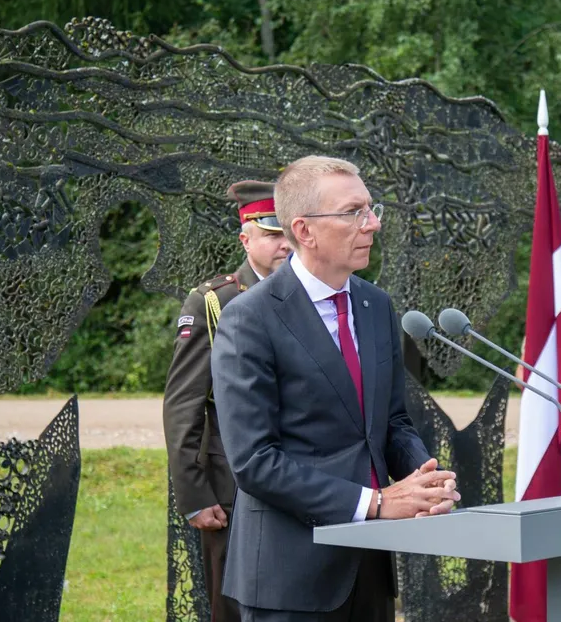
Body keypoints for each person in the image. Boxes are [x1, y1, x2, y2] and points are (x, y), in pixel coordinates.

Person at [210, 155, 459, 622]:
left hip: (369, 566)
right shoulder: (250, 317)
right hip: (290, 574)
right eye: (354, 212)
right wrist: (377, 502)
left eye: (370, 207)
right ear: (304, 231)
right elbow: (253, 461)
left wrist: (425, 475)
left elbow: (390, 421)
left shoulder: (375, 304)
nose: (373, 223)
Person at [163, 180, 292, 621]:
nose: (284, 246)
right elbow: (184, 403)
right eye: (272, 234)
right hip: (233, 485)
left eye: (290, 234)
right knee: (235, 604)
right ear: (246, 238)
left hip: (307, 477)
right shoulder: (214, 302)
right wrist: (195, 493)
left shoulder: (316, 296)